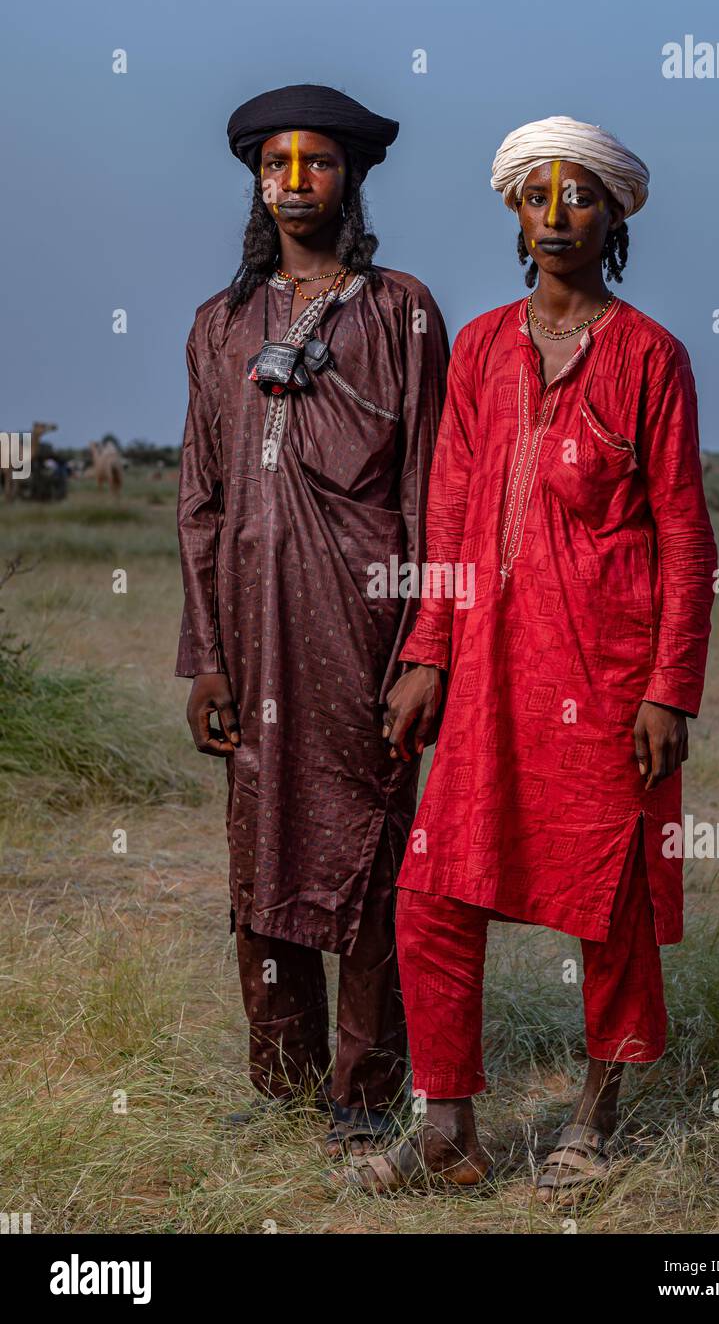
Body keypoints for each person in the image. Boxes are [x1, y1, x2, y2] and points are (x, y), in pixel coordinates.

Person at [338, 115, 718, 1197]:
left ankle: (593, 1117)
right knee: (434, 890)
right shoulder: (480, 348)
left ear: (614, 216)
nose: (556, 215)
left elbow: (687, 535)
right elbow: (451, 510)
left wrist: (668, 687)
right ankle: (449, 1129)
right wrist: (425, 652)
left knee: (613, 899)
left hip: (603, 678)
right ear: (513, 210)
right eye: (536, 195)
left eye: (580, 195)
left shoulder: (652, 358)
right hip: (485, 674)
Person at [175, 84, 448, 1155]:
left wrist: (428, 647)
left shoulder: (403, 311)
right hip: (250, 629)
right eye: (276, 163)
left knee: (372, 850)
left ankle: (366, 1090)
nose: (296, 181)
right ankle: (281, 1076)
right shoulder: (219, 326)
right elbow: (199, 502)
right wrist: (205, 658)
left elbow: (434, 490)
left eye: (318, 163)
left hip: (367, 626)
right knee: (262, 849)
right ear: (255, 180)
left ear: (352, 179)